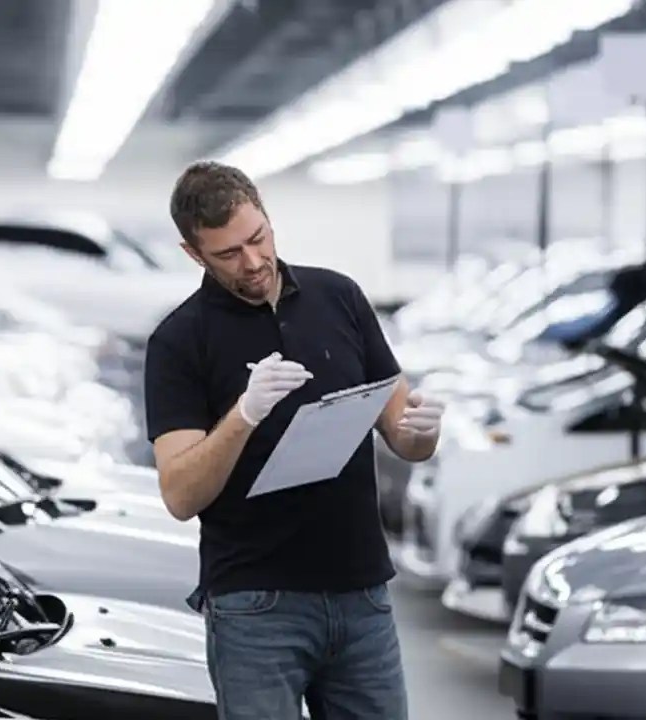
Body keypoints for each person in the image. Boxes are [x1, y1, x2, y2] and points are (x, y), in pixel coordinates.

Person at [144, 161, 445, 720]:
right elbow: (180, 494)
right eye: (228, 254)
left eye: (257, 238)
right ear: (194, 255)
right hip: (256, 607)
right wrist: (244, 414)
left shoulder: (341, 298)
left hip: (362, 595)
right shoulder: (179, 341)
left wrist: (423, 434)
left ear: (267, 217)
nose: (253, 262)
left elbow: (402, 432)